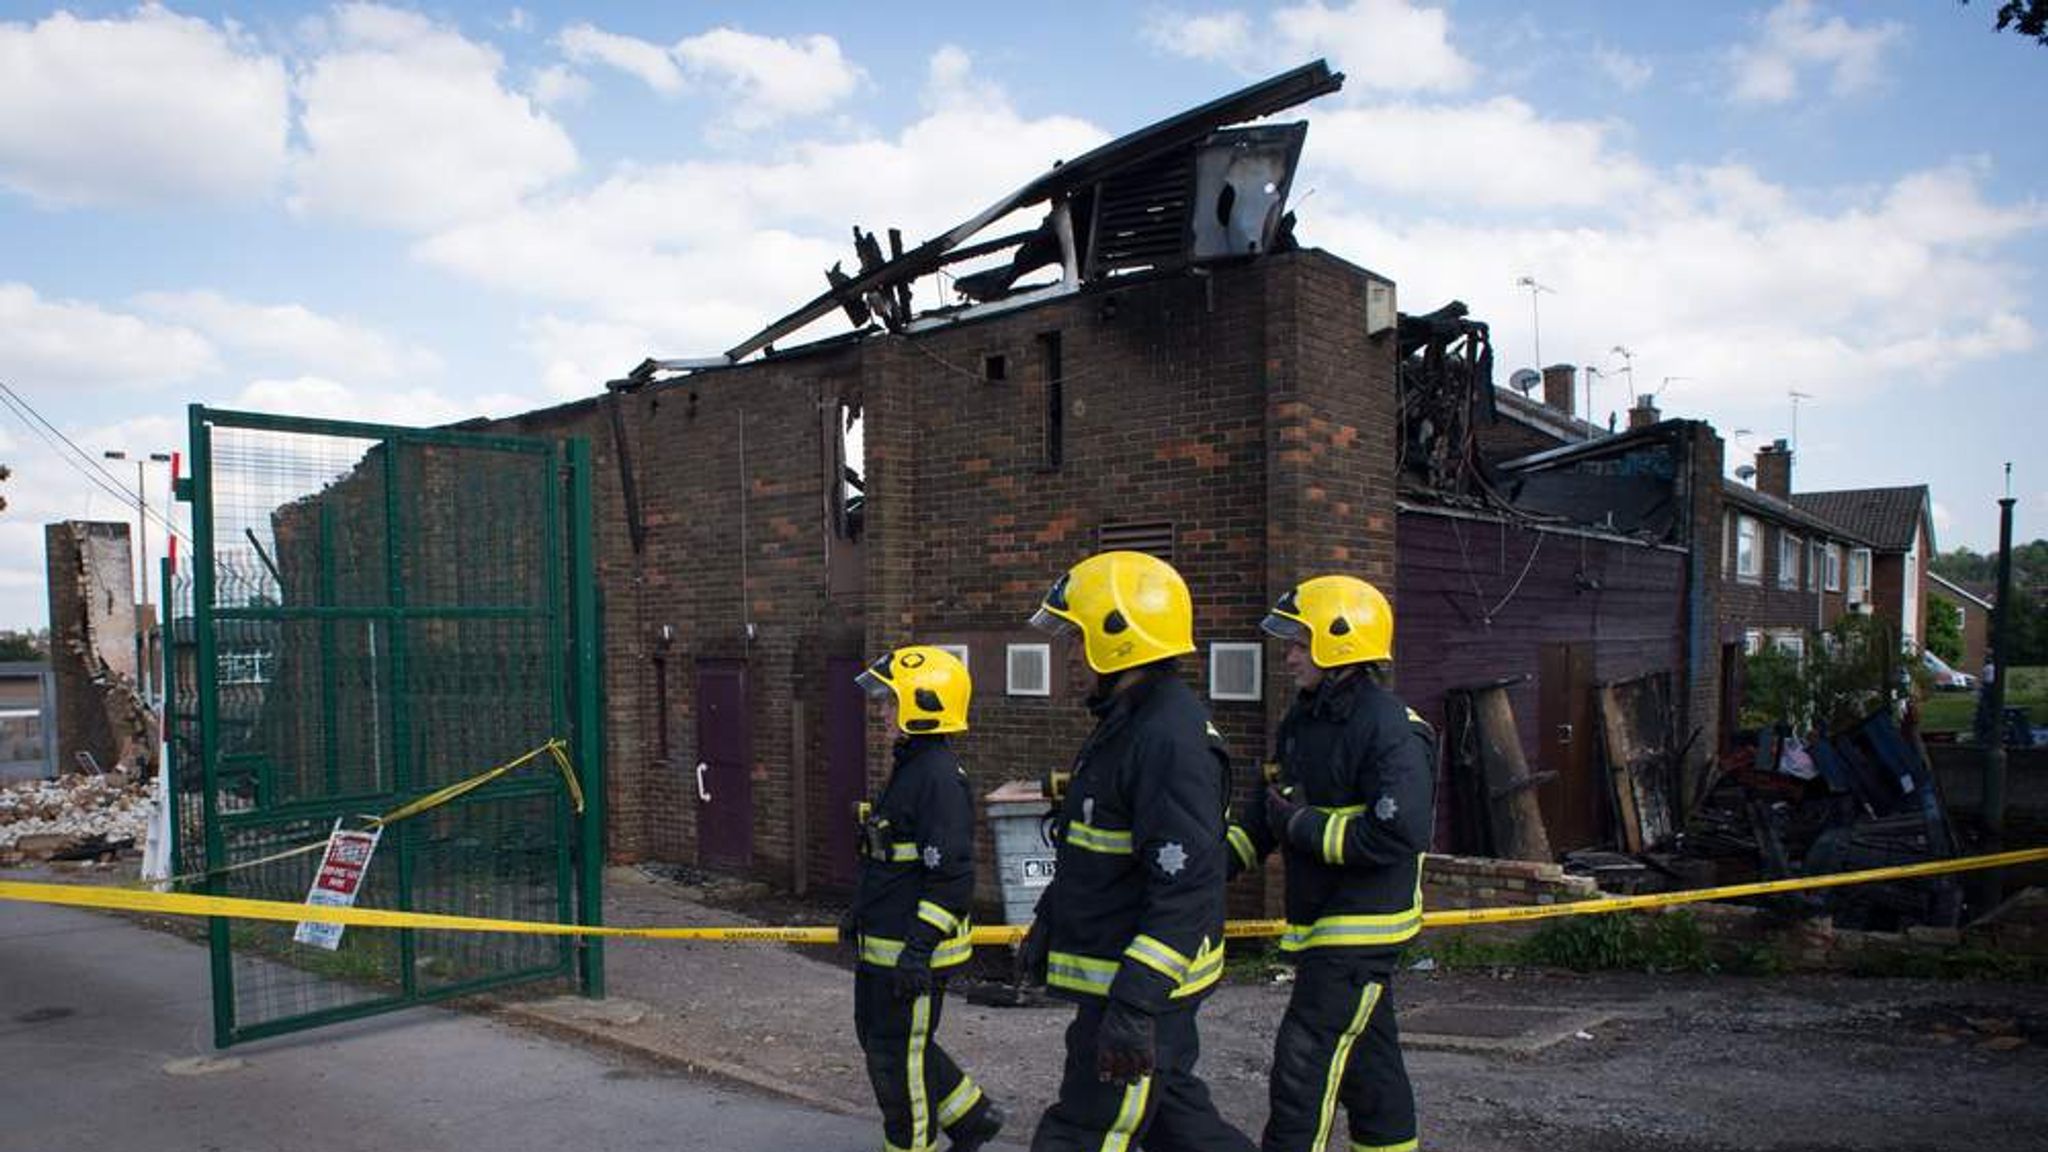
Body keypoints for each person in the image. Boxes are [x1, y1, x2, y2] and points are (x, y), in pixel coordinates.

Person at [1018, 550, 1255, 1152]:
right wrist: (1049, 921)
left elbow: (1187, 888)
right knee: (1176, 1121)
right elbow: (1098, 852)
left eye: (1076, 637)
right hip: (1124, 986)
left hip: (1140, 992)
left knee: (1085, 1131)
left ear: (1115, 638)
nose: (1069, 654)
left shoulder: (1166, 739)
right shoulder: (1126, 724)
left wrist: (1136, 1005)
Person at [1225, 576, 1434, 1152]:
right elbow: (1267, 810)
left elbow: (1398, 833)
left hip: (1362, 927)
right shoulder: (1303, 720)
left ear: (1339, 643)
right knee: (1371, 1066)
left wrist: (1304, 826)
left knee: (1304, 1060)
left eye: (1300, 642)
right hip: (1324, 923)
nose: (1289, 655)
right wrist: (1209, 866)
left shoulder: (1390, 728)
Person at [843, 645, 1005, 1152]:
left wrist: (918, 949)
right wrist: (858, 913)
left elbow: (951, 877)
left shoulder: (936, 778)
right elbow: (894, 859)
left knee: (898, 1059)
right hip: (885, 946)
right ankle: (972, 1116)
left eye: (892, 702)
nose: (884, 711)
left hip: (910, 953)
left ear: (923, 705)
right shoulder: (913, 768)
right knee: (881, 1040)